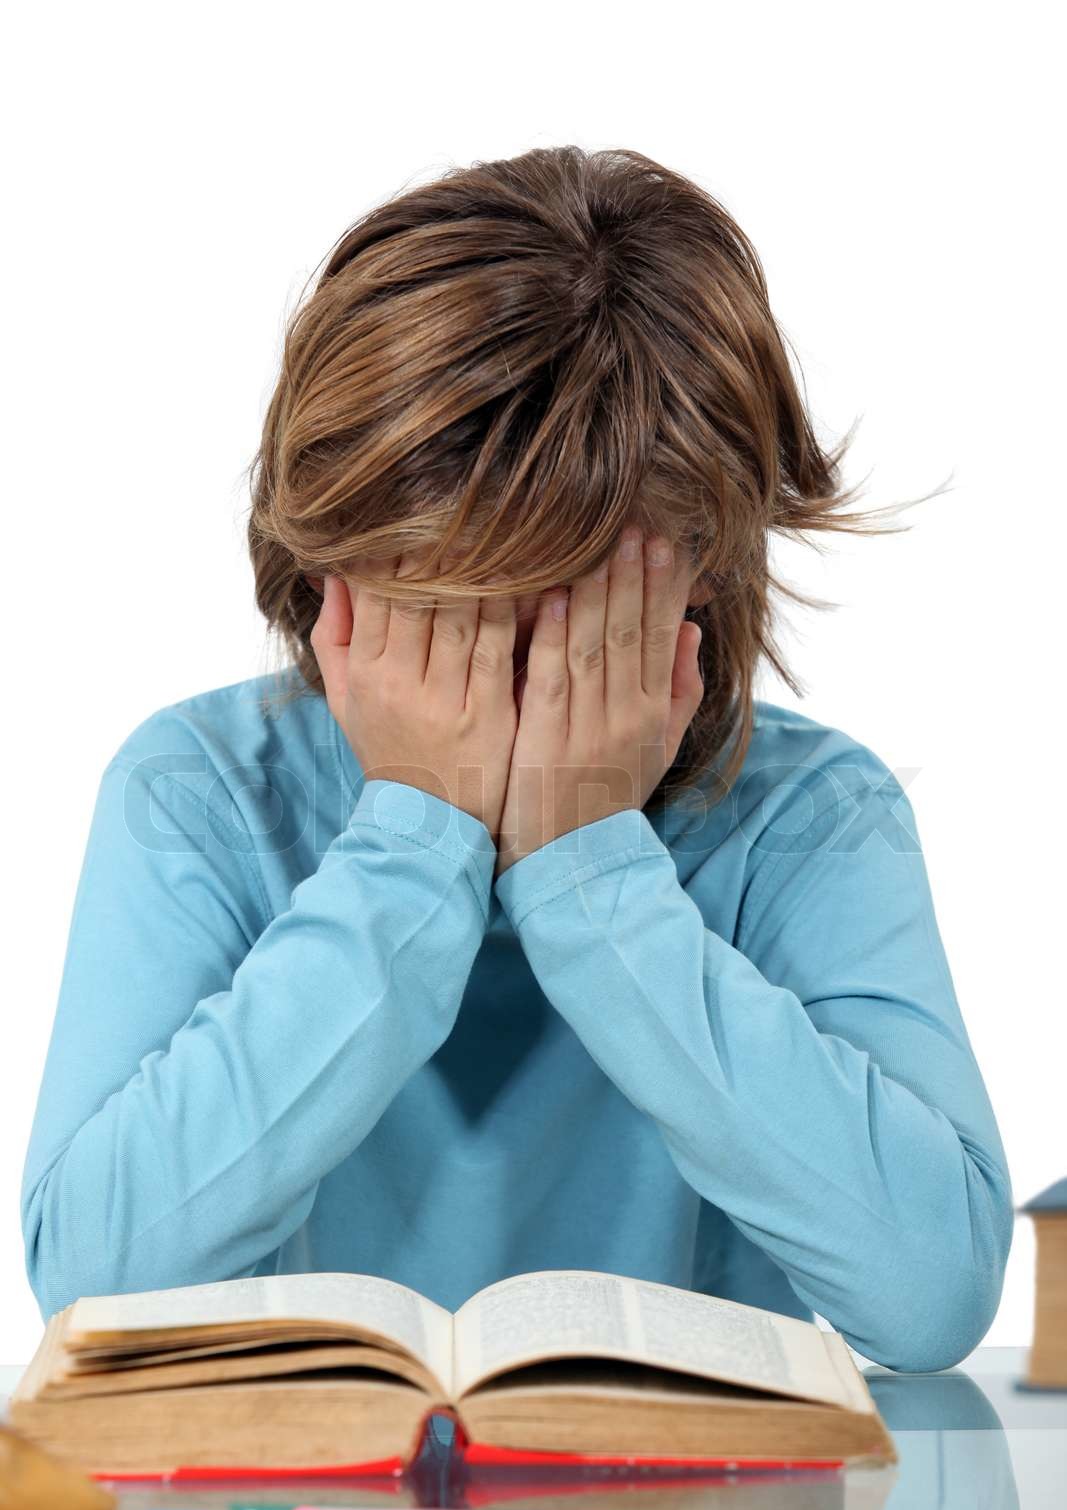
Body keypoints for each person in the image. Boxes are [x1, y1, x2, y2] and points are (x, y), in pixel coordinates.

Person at [20, 146, 1013, 1372]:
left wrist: (588, 863)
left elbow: (927, 1296)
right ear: (335, 570)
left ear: (699, 574)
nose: (496, 670)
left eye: (563, 607)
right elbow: (92, 1285)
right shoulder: (201, 788)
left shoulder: (811, 814)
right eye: (438, 609)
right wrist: (411, 834)